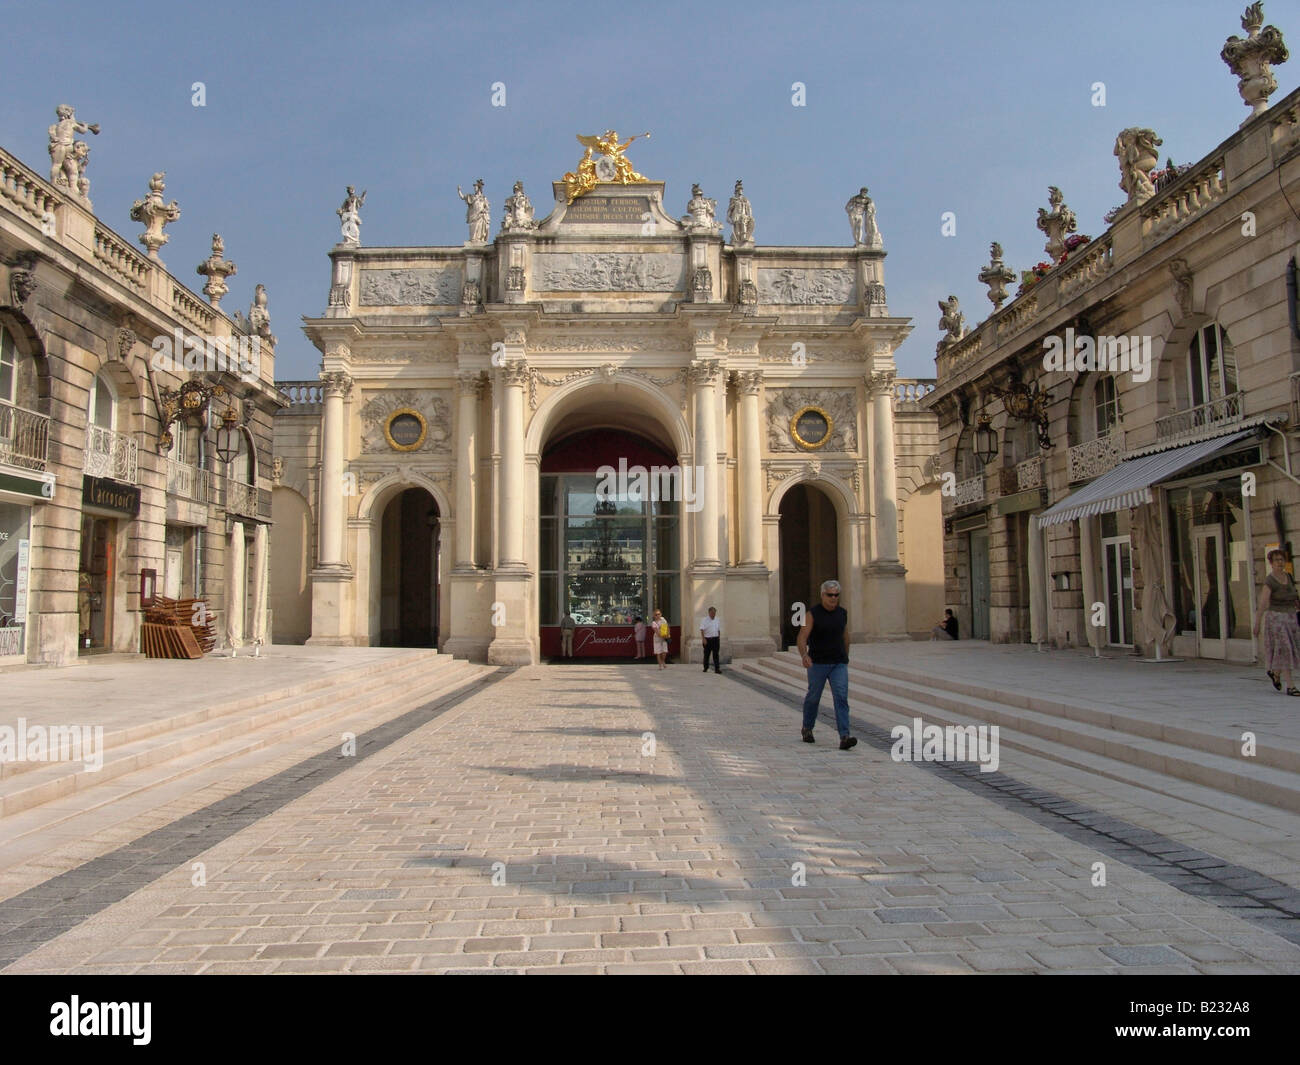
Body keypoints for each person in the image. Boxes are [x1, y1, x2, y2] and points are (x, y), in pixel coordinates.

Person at [796, 579, 857, 750]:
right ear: (823, 595)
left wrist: (846, 656)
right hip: (818, 663)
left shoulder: (842, 613)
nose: (833, 598)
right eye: (830, 595)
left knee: (841, 698)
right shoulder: (812, 614)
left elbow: (845, 636)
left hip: (838, 663)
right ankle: (807, 728)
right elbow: (802, 636)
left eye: (836, 595)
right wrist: (804, 655)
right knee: (814, 697)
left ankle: (844, 735)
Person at [1253, 549, 1300, 696]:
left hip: (1291, 618)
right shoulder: (1270, 580)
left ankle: (1275, 672)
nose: (1280, 562)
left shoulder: (1289, 577)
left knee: (1290, 650)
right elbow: (1263, 603)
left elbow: (1295, 597)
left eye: (1282, 559)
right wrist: (1257, 622)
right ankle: (1291, 686)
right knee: (1285, 650)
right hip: (1277, 619)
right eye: (1277, 560)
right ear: (1271, 563)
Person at [700, 606, 721, 673]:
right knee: (706, 654)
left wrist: (719, 637)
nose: (713, 614)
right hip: (707, 639)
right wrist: (703, 639)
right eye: (712, 613)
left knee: (716, 654)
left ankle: (717, 669)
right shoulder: (704, 620)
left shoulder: (717, 619)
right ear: (709, 613)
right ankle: (705, 667)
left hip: (715, 639)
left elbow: (718, 629)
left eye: (714, 613)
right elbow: (702, 629)